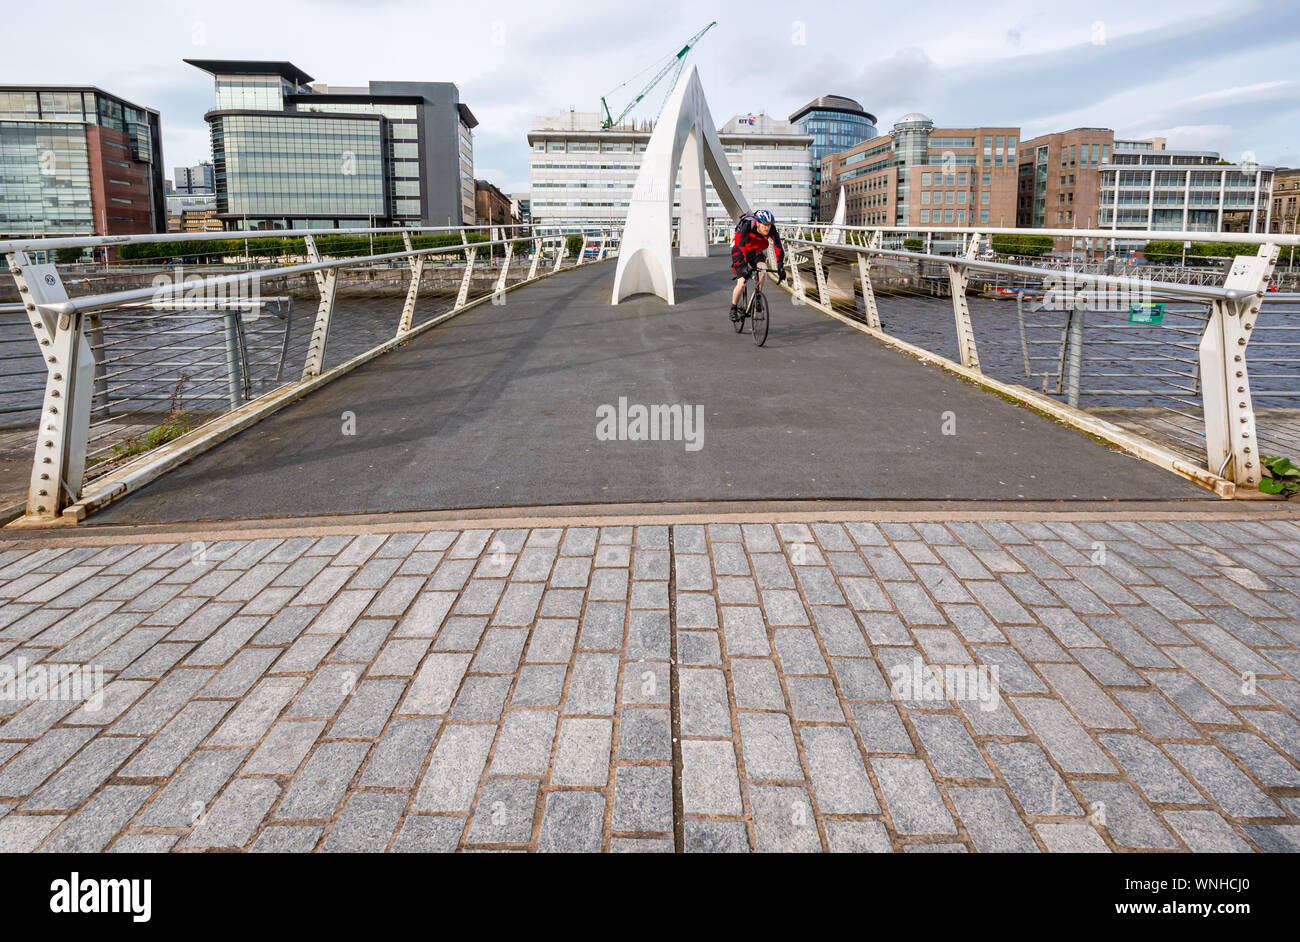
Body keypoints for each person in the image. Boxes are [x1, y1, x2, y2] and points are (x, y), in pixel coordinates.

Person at [730, 209, 786, 321]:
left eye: (769, 225)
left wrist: (780, 267)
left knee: (763, 270)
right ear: (758, 223)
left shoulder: (771, 229)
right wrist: (744, 267)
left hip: (756, 251)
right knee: (741, 283)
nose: (767, 228)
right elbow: (741, 246)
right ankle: (733, 308)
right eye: (765, 225)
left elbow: (778, 247)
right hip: (741, 251)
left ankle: (758, 296)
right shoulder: (748, 225)